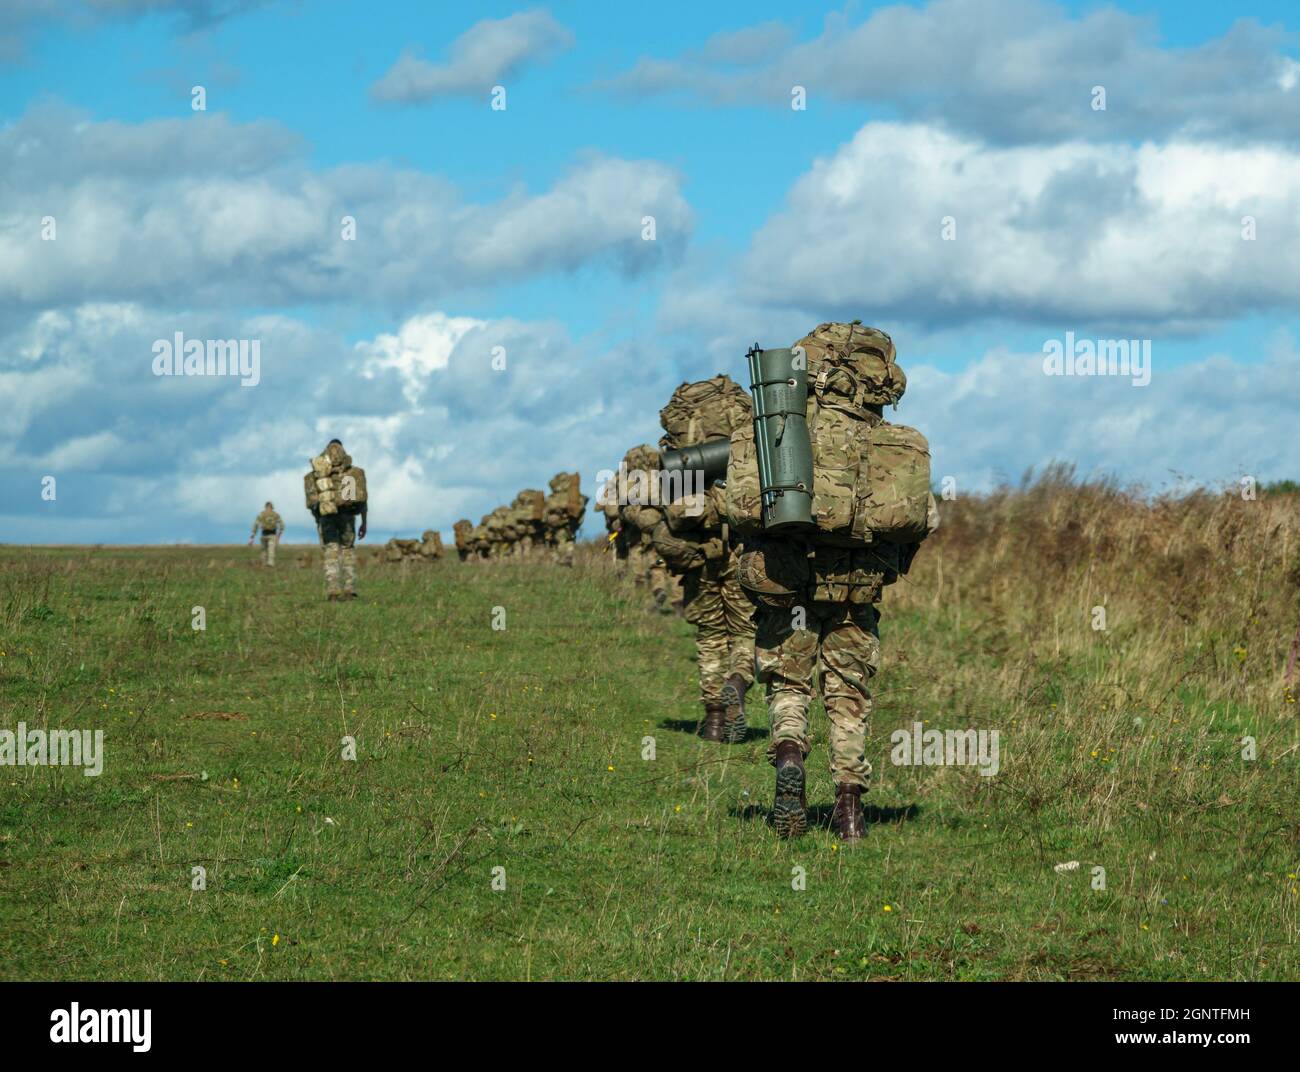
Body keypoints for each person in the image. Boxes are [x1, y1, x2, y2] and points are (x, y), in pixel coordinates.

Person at [248, 501, 284, 567]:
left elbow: (256, 525)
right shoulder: (276, 515)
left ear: (265, 507)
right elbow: (282, 525)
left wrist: (252, 537)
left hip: (263, 535)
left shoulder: (261, 514)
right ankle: (270, 564)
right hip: (272, 535)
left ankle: (263, 565)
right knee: (271, 550)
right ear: (272, 507)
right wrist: (279, 536)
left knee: (263, 551)